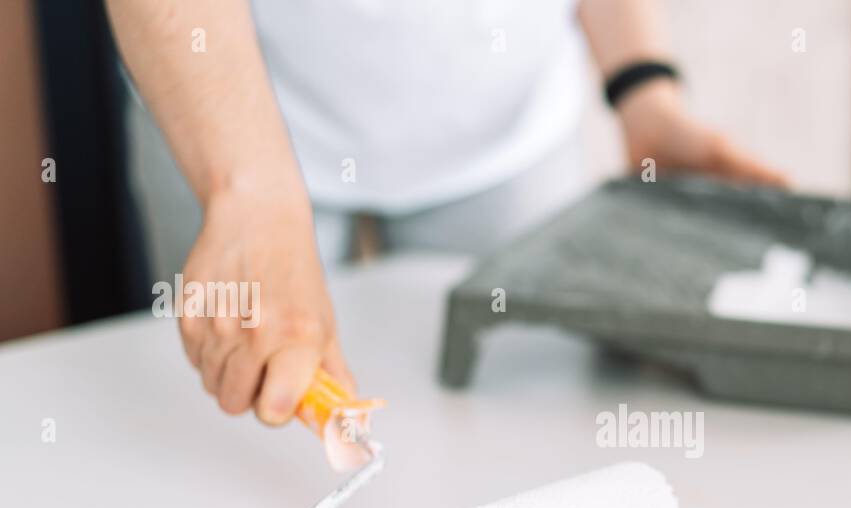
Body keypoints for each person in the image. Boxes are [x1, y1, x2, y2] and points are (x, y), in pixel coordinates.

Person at [107, 0, 785, 427]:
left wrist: (643, 94)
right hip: (236, 121)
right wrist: (246, 188)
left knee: (530, 430)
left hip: (510, 136)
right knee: (232, 431)